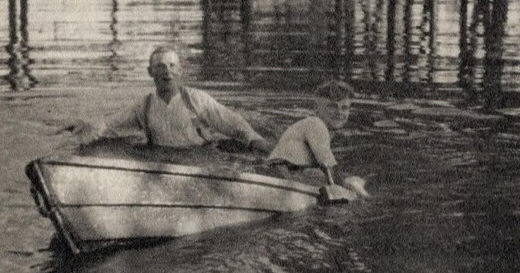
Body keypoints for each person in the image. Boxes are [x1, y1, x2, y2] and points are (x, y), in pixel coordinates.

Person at [64, 46, 272, 152]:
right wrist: (84, 126)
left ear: (180, 70)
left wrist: (255, 140)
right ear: (150, 72)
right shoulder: (144, 105)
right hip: (161, 161)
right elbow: (110, 125)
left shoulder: (196, 99)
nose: (167, 72)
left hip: (199, 159)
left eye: (172, 66)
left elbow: (231, 122)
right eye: (161, 66)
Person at [266, 80, 369, 197]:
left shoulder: (316, 133)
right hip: (277, 178)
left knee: (320, 175)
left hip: (281, 176)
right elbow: (329, 168)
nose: (339, 112)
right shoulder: (315, 123)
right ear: (316, 108)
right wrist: (361, 194)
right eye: (332, 106)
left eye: (344, 108)